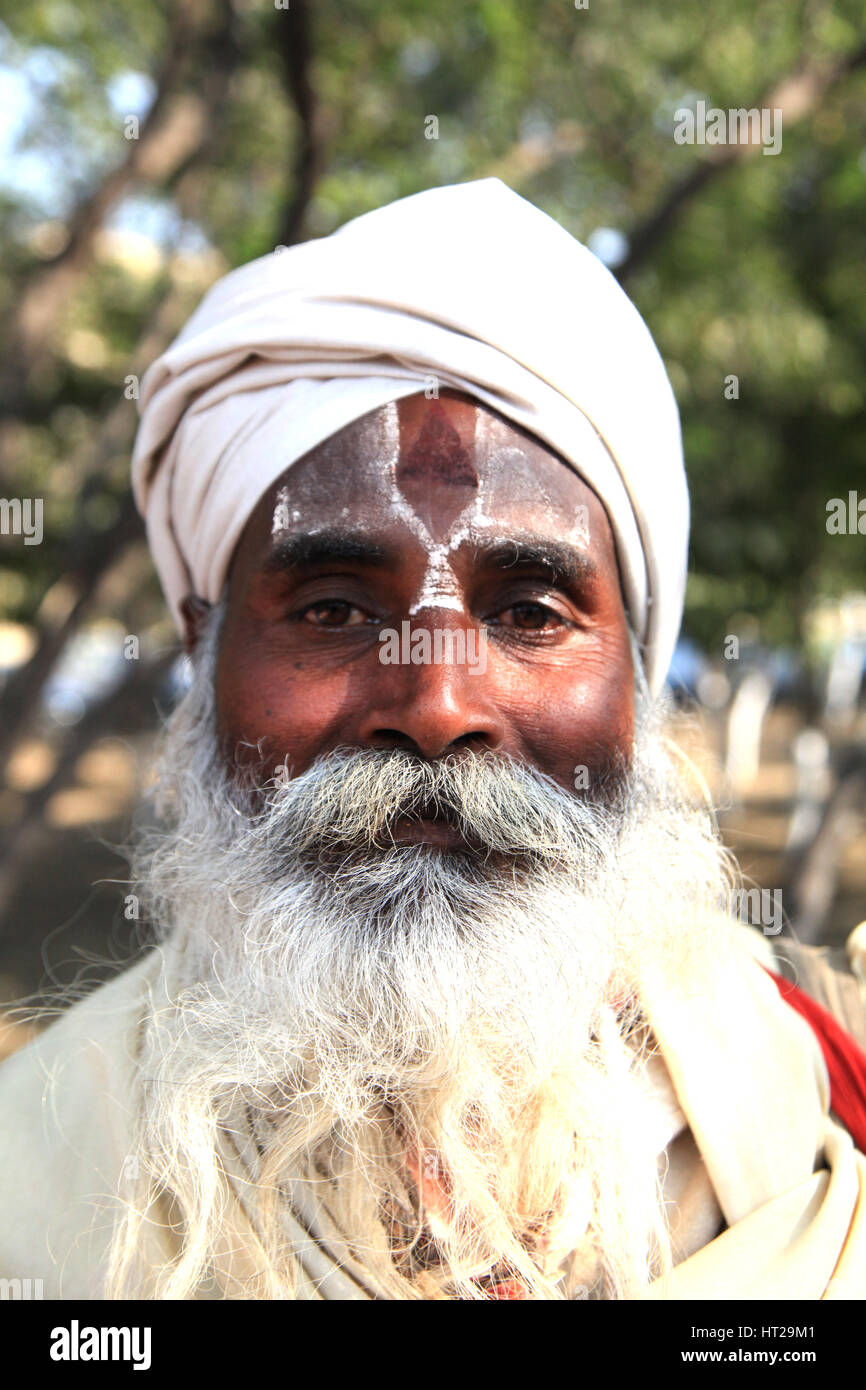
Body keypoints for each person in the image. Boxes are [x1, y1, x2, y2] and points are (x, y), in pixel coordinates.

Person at [0, 179, 864, 1301]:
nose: (437, 702)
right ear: (203, 653)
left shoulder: (817, 1063)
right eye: (332, 610)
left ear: (636, 676)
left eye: (530, 614)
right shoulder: (38, 1187)